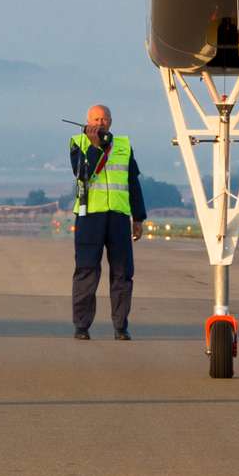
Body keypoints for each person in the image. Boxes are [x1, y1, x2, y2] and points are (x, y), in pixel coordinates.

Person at [69, 103, 146, 340]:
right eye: (95, 119)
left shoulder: (123, 144)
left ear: (111, 121)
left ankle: (121, 327)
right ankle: (82, 327)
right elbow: (82, 174)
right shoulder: (77, 142)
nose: (100, 123)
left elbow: (132, 182)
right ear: (87, 122)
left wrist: (138, 217)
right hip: (90, 215)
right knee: (87, 271)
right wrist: (94, 147)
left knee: (123, 273)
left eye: (104, 119)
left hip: (118, 217)